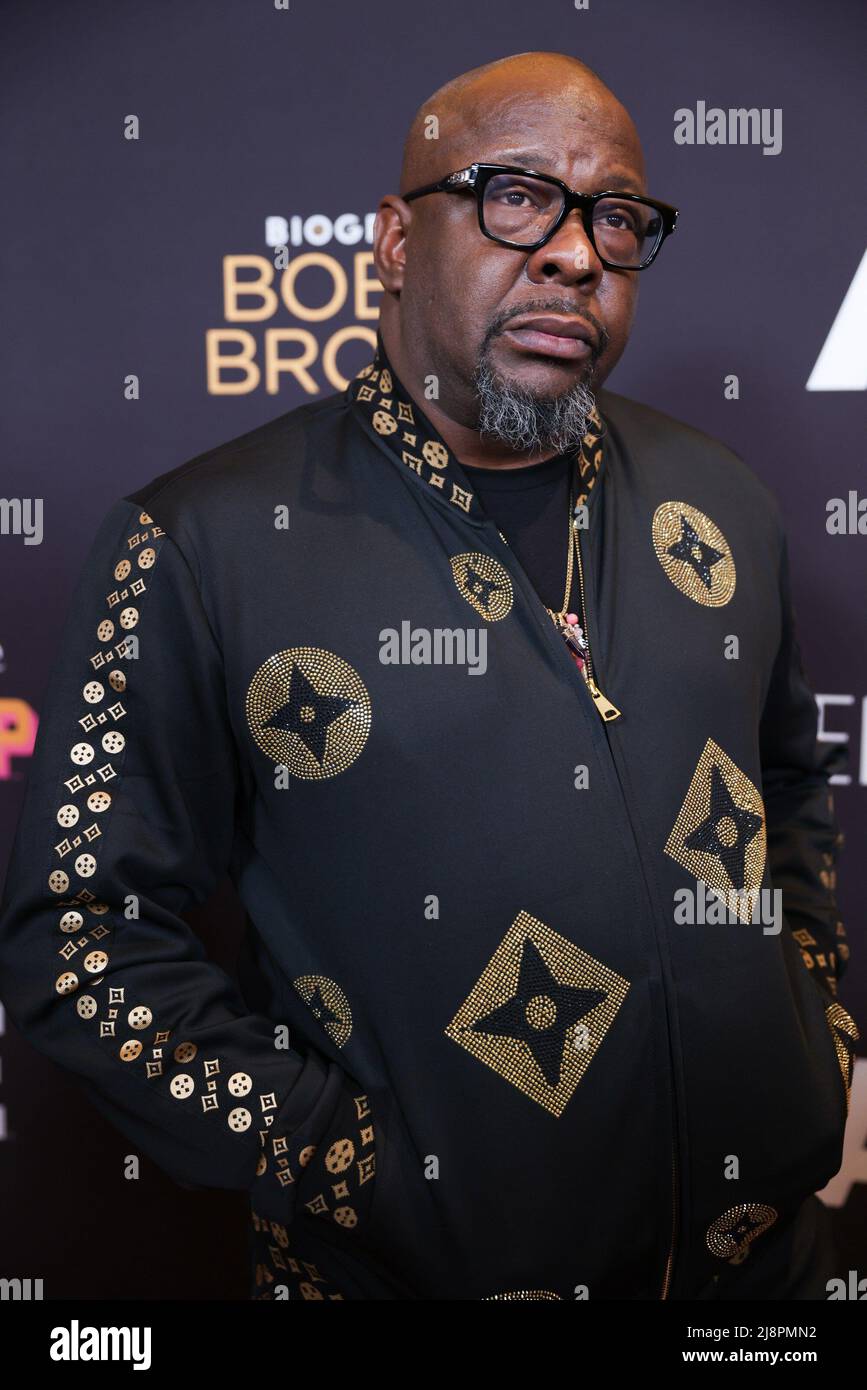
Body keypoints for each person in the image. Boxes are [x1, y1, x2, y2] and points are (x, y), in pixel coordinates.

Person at [0, 51, 857, 1302]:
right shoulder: (201, 544)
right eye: (515, 196)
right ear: (398, 243)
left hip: (766, 1283)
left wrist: (817, 1035)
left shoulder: (722, 499)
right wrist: (351, 1165)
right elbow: (79, 941)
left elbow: (788, 792)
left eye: (616, 217)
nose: (574, 254)